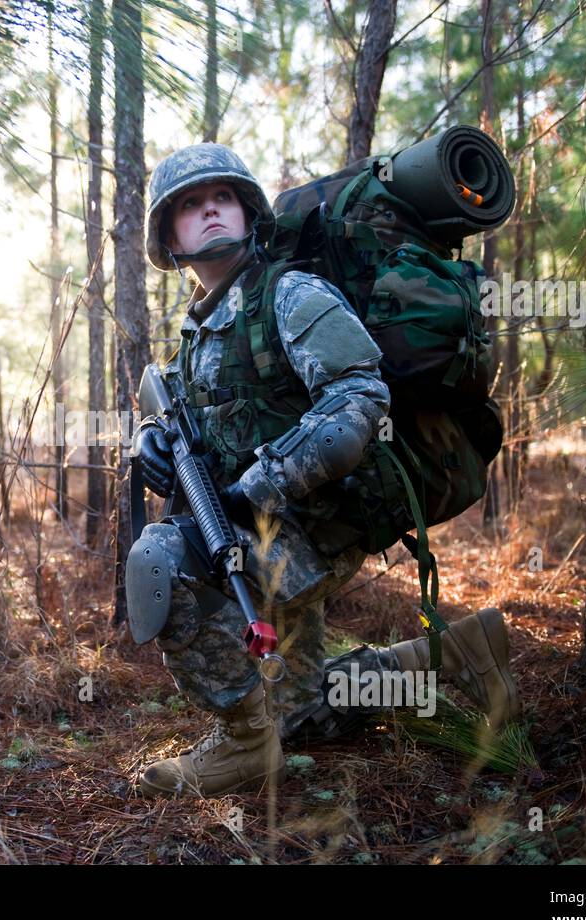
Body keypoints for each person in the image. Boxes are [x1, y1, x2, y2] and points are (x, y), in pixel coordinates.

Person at [127, 142, 522, 798]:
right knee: (304, 709)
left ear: (248, 211)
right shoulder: (200, 331)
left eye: (222, 197)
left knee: (159, 557)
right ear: (169, 238)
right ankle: (458, 652)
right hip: (265, 532)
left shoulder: (288, 293)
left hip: (313, 528)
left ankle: (246, 748)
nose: (210, 212)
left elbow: (360, 398)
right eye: (191, 205)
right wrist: (149, 443)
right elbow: (168, 407)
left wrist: (259, 484)